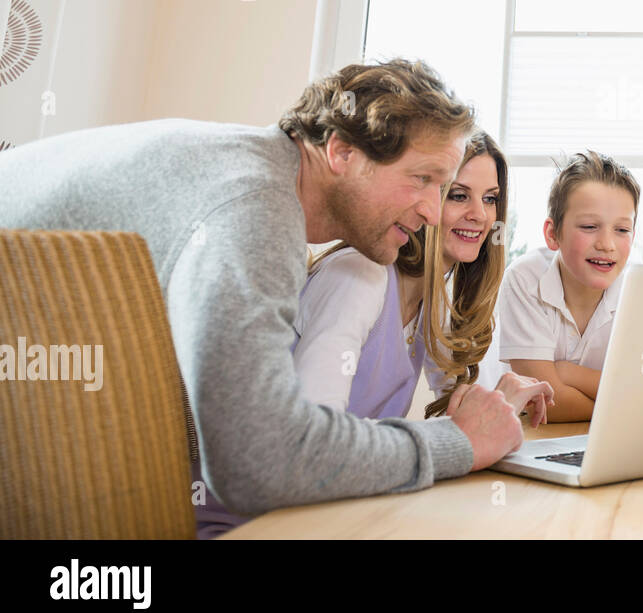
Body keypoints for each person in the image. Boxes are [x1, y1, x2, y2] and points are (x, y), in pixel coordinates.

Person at [0, 59, 550, 525]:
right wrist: (458, 443)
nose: (434, 212)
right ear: (342, 153)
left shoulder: (253, 178)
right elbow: (260, 460)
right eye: (423, 179)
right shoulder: (254, 210)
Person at [496, 150, 640, 422]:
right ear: (553, 234)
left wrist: (569, 374)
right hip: (529, 438)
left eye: (622, 230)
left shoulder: (638, 290)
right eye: (589, 226)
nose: (607, 244)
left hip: (597, 441)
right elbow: (545, 404)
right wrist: (627, 403)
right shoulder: (525, 279)